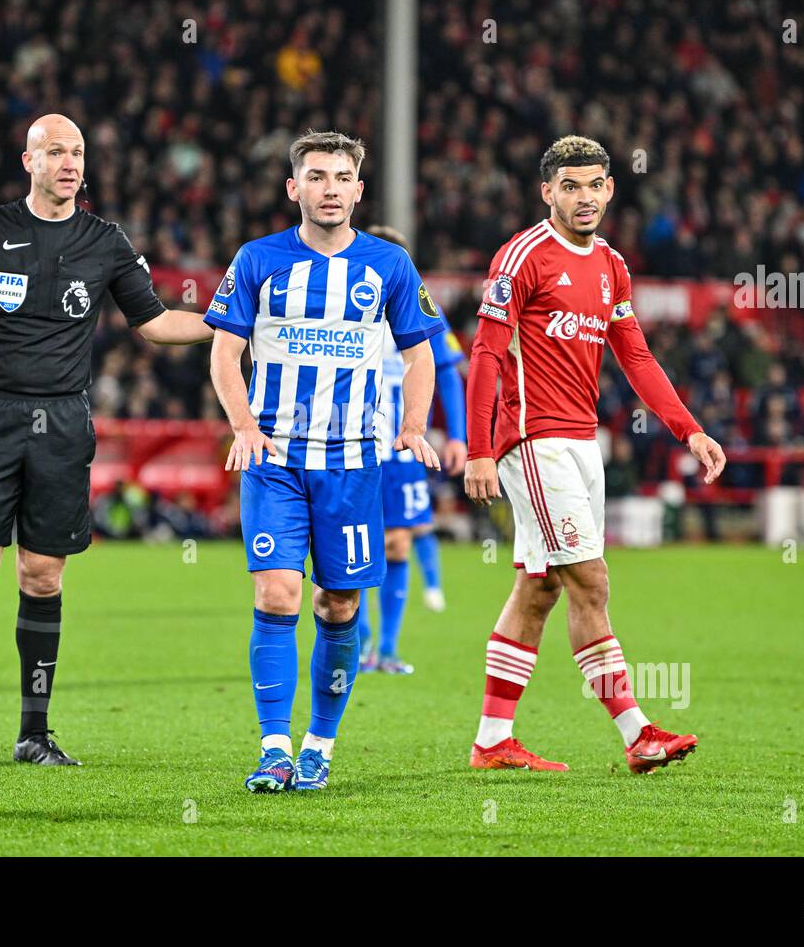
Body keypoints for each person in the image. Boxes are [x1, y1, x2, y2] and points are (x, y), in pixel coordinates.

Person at [0, 113, 213, 766]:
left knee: (42, 578)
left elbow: (153, 324)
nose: (70, 163)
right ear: (29, 161)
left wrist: (234, 323)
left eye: (77, 152)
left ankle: (34, 734)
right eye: (56, 153)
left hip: (64, 423)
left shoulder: (105, 241)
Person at [463, 135, 727, 774]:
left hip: (582, 444)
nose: (585, 198)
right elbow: (487, 355)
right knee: (592, 580)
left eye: (595, 186)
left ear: (611, 189)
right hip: (533, 442)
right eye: (570, 187)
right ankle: (638, 734)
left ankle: (492, 741)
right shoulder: (522, 257)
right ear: (547, 191)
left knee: (540, 587)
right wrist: (477, 450)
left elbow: (635, 356)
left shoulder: (611, 265)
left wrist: (688, 429)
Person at [207, 130, 443, 791]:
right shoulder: (256, 259)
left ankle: (319, 745)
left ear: (359, 190)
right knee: (277, 591)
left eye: (342, 177)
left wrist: (413, 423)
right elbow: (225, 352)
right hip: (274, 456)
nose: (330, 188)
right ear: (294, 188)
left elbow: (420, 351)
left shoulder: (389, 266)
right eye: (316, 176)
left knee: (338, 604)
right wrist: (244, 424)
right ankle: (274, 748)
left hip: (354, 463)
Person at [355, 224, 467, 675]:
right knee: (356, 548)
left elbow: (448, 371)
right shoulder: (344, 301)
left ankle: (388, 649)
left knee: (399, 544)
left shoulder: (421, 309)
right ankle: (360, 648)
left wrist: (457, 435)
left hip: (400, 448)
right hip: (351, 444)